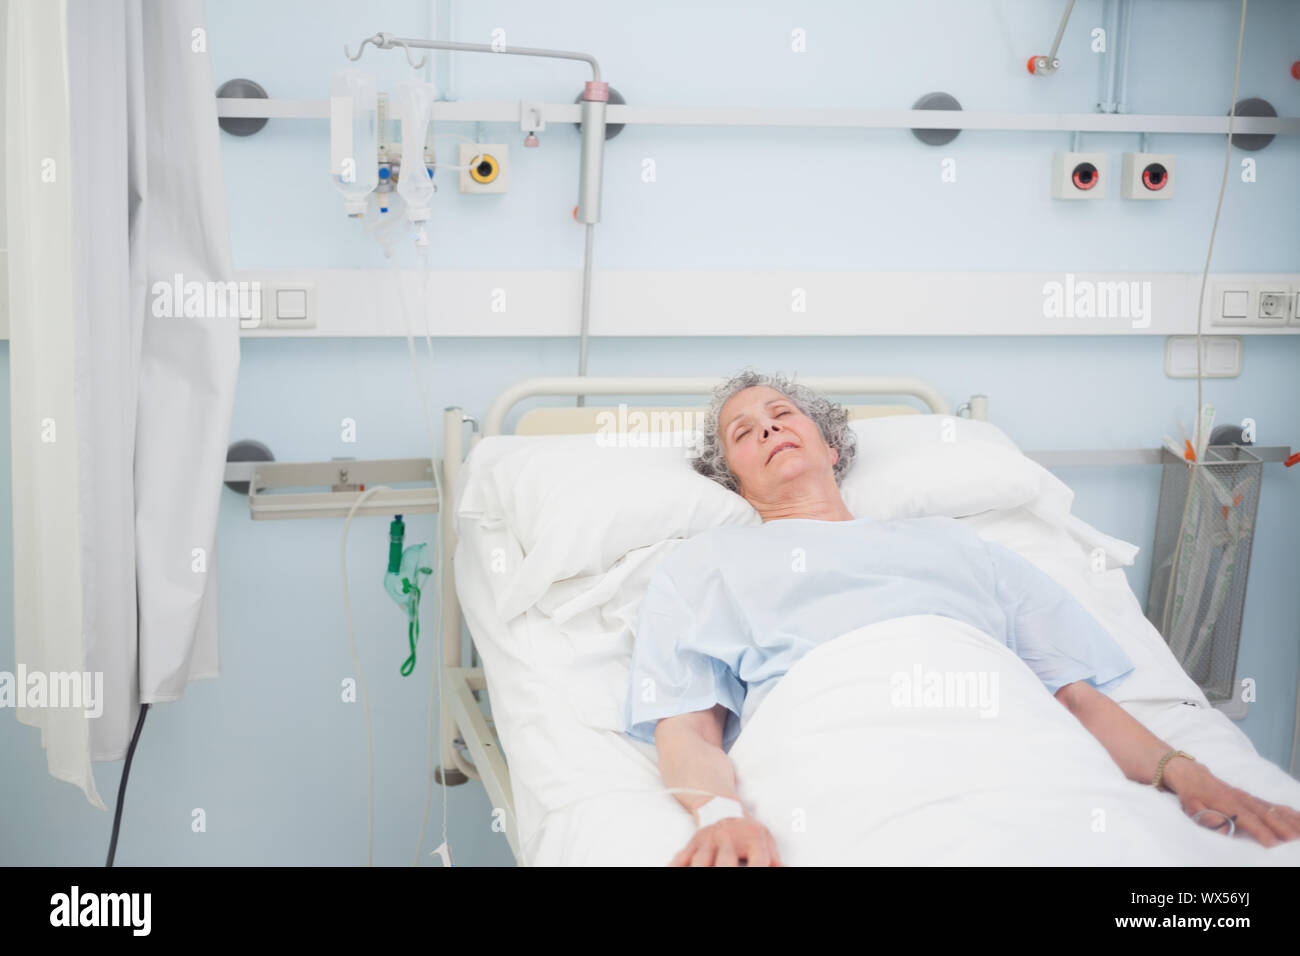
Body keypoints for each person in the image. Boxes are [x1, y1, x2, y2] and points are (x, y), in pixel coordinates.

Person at [624, 370, 1300, 866]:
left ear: (832, 448)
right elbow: (684, 725)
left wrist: (1183, 772)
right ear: (734, 480)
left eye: (782, 414)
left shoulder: (955, 542)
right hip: (837, 731)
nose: (768, 427)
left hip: (1003, 723)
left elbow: (1074, 697)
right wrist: (719, 813)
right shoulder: (705, 564)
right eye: (744, 432)